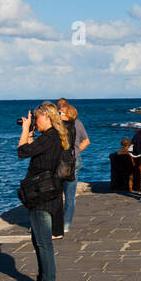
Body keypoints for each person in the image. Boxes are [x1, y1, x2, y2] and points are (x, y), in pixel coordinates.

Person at [16, 101, 69, 281]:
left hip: (42, 195)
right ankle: (41, 280)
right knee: (38, 240)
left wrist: (24, 130)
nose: (34, 122)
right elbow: (33, 151)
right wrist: (30, 133)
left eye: (36, 118)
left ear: (47, 117)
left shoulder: (49, 137)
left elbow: (22, 152)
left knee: (43, 242)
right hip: (48, 192)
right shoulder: (53, 137)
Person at [56, 98, 89, 233]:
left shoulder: (58, 124)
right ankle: (66, 224)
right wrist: (76, 152)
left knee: (57, 193)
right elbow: (86, 141)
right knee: (70, 195)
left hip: (62, 161)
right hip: (75, 159)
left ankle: (56, 222)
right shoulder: (78, 123)